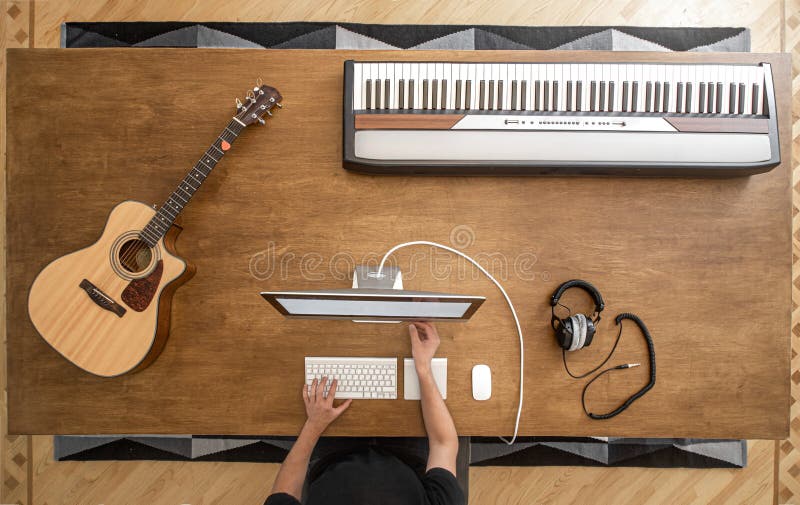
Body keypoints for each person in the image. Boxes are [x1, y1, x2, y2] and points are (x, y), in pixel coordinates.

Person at [264, 321, 465, 505]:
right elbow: (443, 444)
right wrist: (424, 369)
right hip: (407, 458)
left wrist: (314, 425)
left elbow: (284, 493)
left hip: (332, 458)